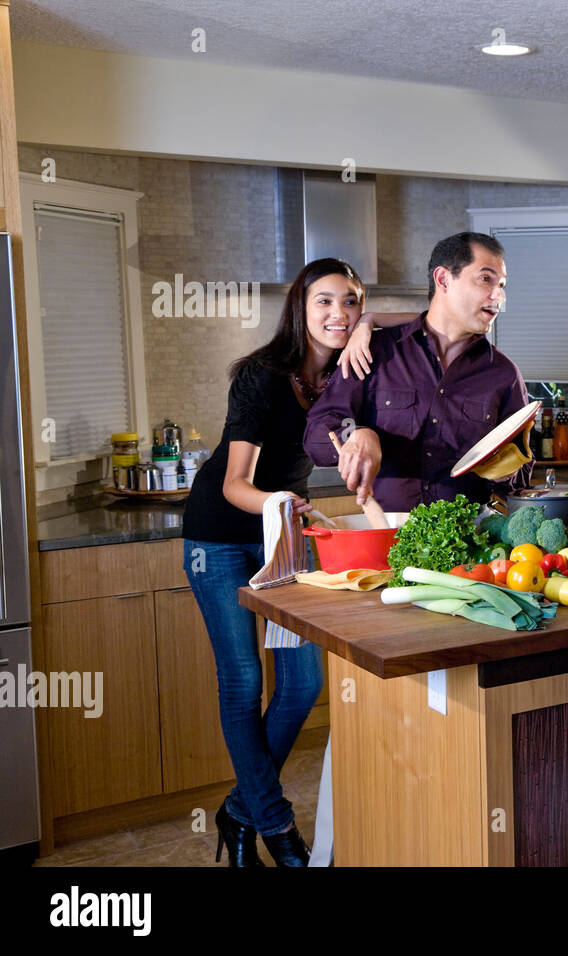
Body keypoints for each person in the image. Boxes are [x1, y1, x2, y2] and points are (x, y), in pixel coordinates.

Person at [182, 258, 365, 867]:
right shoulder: (261, 377)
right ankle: (277, 826)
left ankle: (239, 813)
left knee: (304, 683)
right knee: (242, 681)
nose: (338, 314)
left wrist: (370, 330)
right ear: (300, 308)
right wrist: (287, 505)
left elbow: (419, 321)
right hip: (222, 537)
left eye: (351, 302)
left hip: (281, 536)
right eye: (325, 302)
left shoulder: (348, 374)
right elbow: (235, 482)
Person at [304, 231, 532, 510]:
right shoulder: (373, 352)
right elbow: (316, 433)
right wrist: (356, 435)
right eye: (486, 279)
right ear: (443, 279)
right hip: (388, 540)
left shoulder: (504, 375)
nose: (499, 296)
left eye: (502, 285)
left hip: (471, 543)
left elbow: (521, 480)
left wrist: (504, 467)